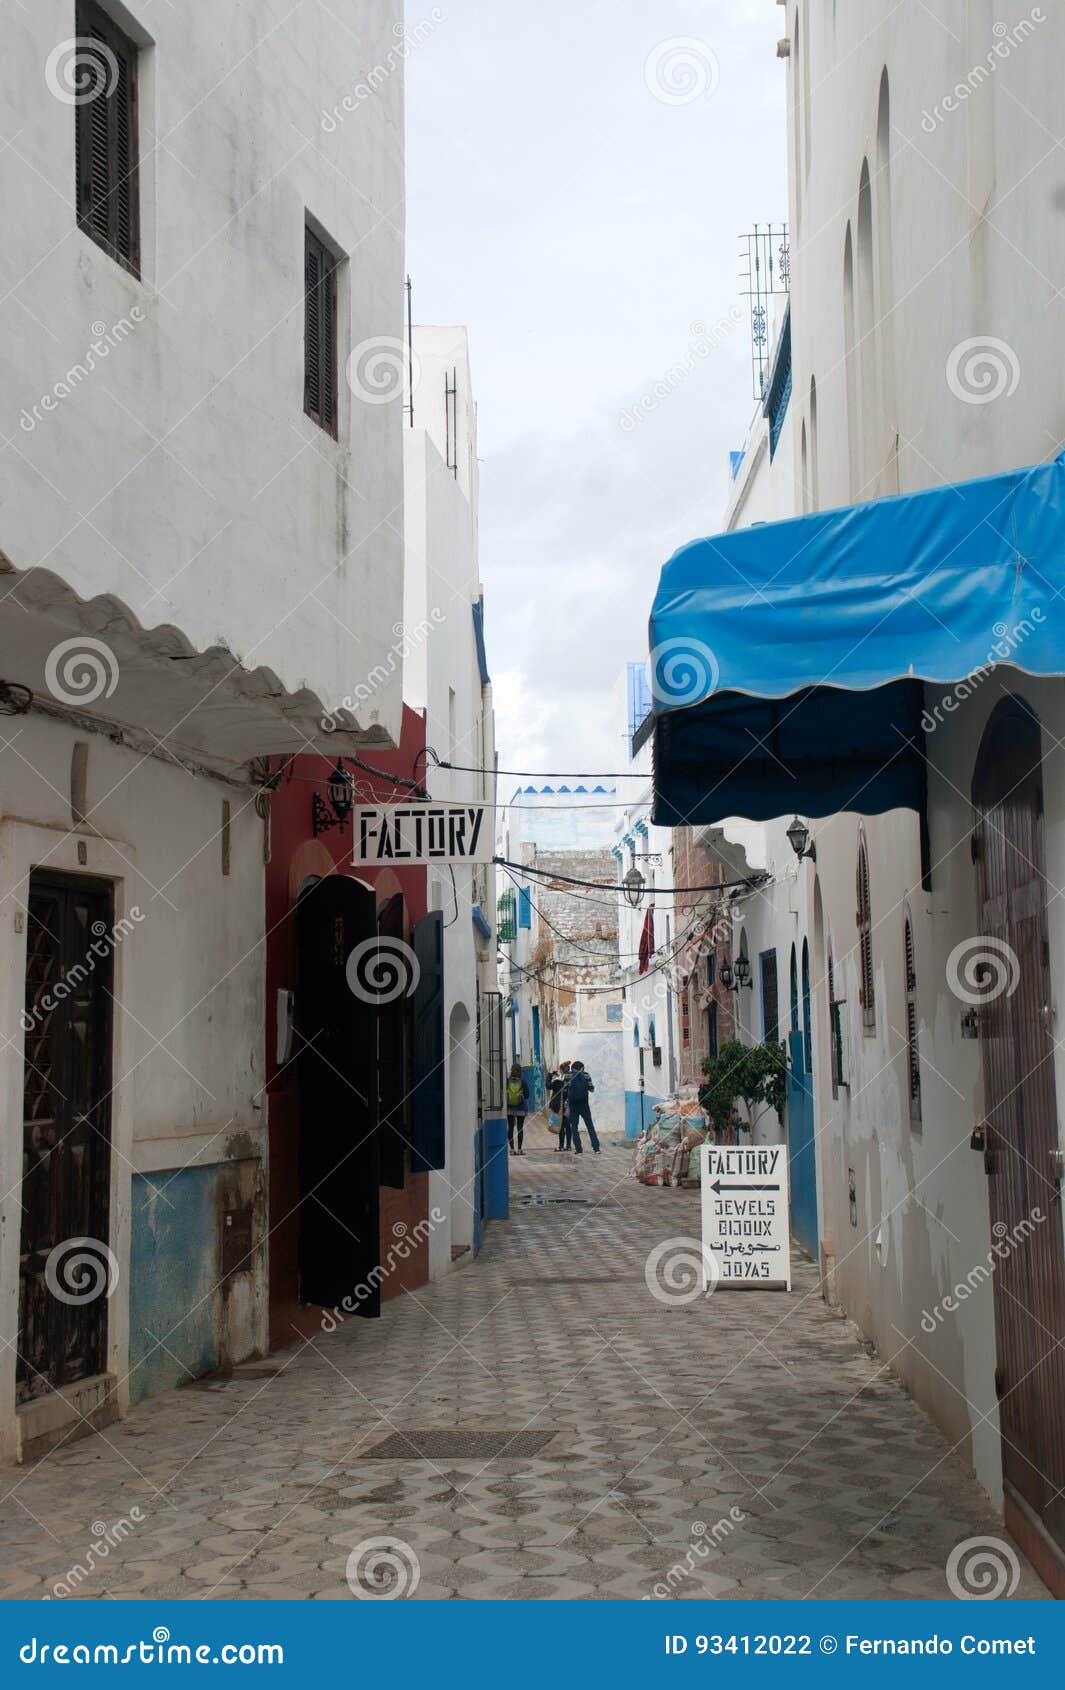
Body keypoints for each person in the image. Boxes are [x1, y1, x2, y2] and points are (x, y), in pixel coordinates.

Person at [566, 1060, 600, 1154]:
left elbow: (565, 1088)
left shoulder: (568, 1075)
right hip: (584, 1104)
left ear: (572, 1068)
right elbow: (591, 1089)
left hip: (573, 1105)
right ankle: (596, 1148)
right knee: (590, 1126)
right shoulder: (586, 1075)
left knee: (574, 1127)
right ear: (582, 1068)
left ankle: (579, 1150)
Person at [506, 1062, 529, 1155]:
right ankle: (519, 1149)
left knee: (510, 1128)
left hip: (510, 1108)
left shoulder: (507, 1081)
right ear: (520, 1071)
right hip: (521, 1107)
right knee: (520, 1128)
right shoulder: (523, 1081)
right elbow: (527, 1095)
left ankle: (511, 1149)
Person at [555, 1060, 573, 1150]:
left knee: (561, 1126)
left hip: (561, 1106)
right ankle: (569, 1145)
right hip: (569, 1105)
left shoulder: (560, 1079)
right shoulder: (571, 1077)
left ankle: (561, 1146)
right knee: (568, 1126)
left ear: (562, 1070)